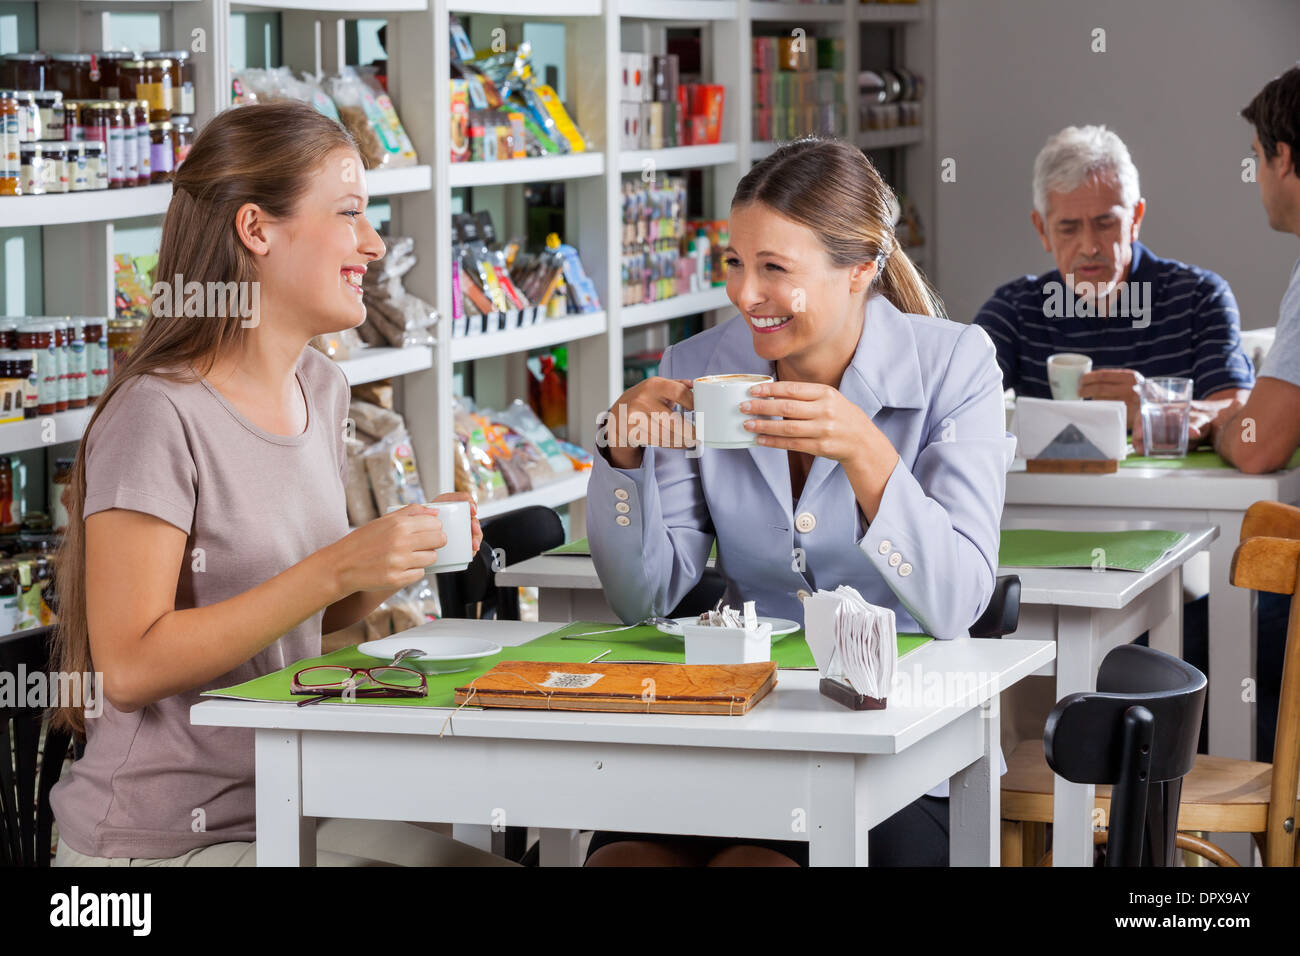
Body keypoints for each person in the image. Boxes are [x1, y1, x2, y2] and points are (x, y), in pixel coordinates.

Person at [48, 101, 508, 867]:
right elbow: (127, 668)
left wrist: (397, 556)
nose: (373, 241)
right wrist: (335, 566)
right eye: (351, 213)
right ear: (257, 230)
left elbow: (295, 624)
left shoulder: (319, 386)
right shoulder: (156, 413)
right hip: (158, 842)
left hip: (290, 802)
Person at [584, 137, 1013, 866]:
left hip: (902, 747)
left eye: (775, 269)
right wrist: (621, 458)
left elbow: (956, 602)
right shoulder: (697, 367)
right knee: (623, 863)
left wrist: (865, 451)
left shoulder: (954, 365)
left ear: (862, 270)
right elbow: (644, 596)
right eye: (735, 263)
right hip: (735, 734)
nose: (745, 295)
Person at [973, 125, 1254, 428]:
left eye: (1105, 223)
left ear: (1135, 219)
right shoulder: (1015, 311)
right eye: (1068, 228)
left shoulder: (1200, 298)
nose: (1090, 247)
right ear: (1042, 230)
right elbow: (951, 404)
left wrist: (1154, 406)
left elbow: (1239, 413)